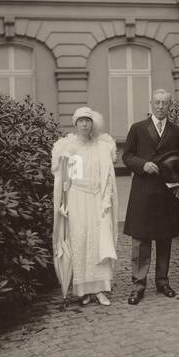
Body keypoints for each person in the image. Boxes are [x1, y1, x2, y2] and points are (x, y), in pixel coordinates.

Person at [122, 89, 179, 303]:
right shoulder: (138, 128)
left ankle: (163, 281)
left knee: (164, 237)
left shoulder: (177, 132)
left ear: (170, 106)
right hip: (143, 190)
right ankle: (138, 285)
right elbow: (127, 156)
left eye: (165, 103)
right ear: (151, 103)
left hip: (166, 192)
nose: (161, 106)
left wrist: (176, 178)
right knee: (140, 239)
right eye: (157, 102)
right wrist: (143, 164)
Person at [51, 107, 119, 306]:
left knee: (99, 242)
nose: (84, 124)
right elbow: (66, 180)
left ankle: (99, 289)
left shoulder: (101, 147)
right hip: (77, 198)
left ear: (93, 124)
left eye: (88, 121)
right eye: (80, 121)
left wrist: (106, 199)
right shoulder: (70, 149)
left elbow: (107, 177)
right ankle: (83, 291)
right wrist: (64, 203)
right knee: (80, 241)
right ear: (75, 124)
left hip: (97, 199)